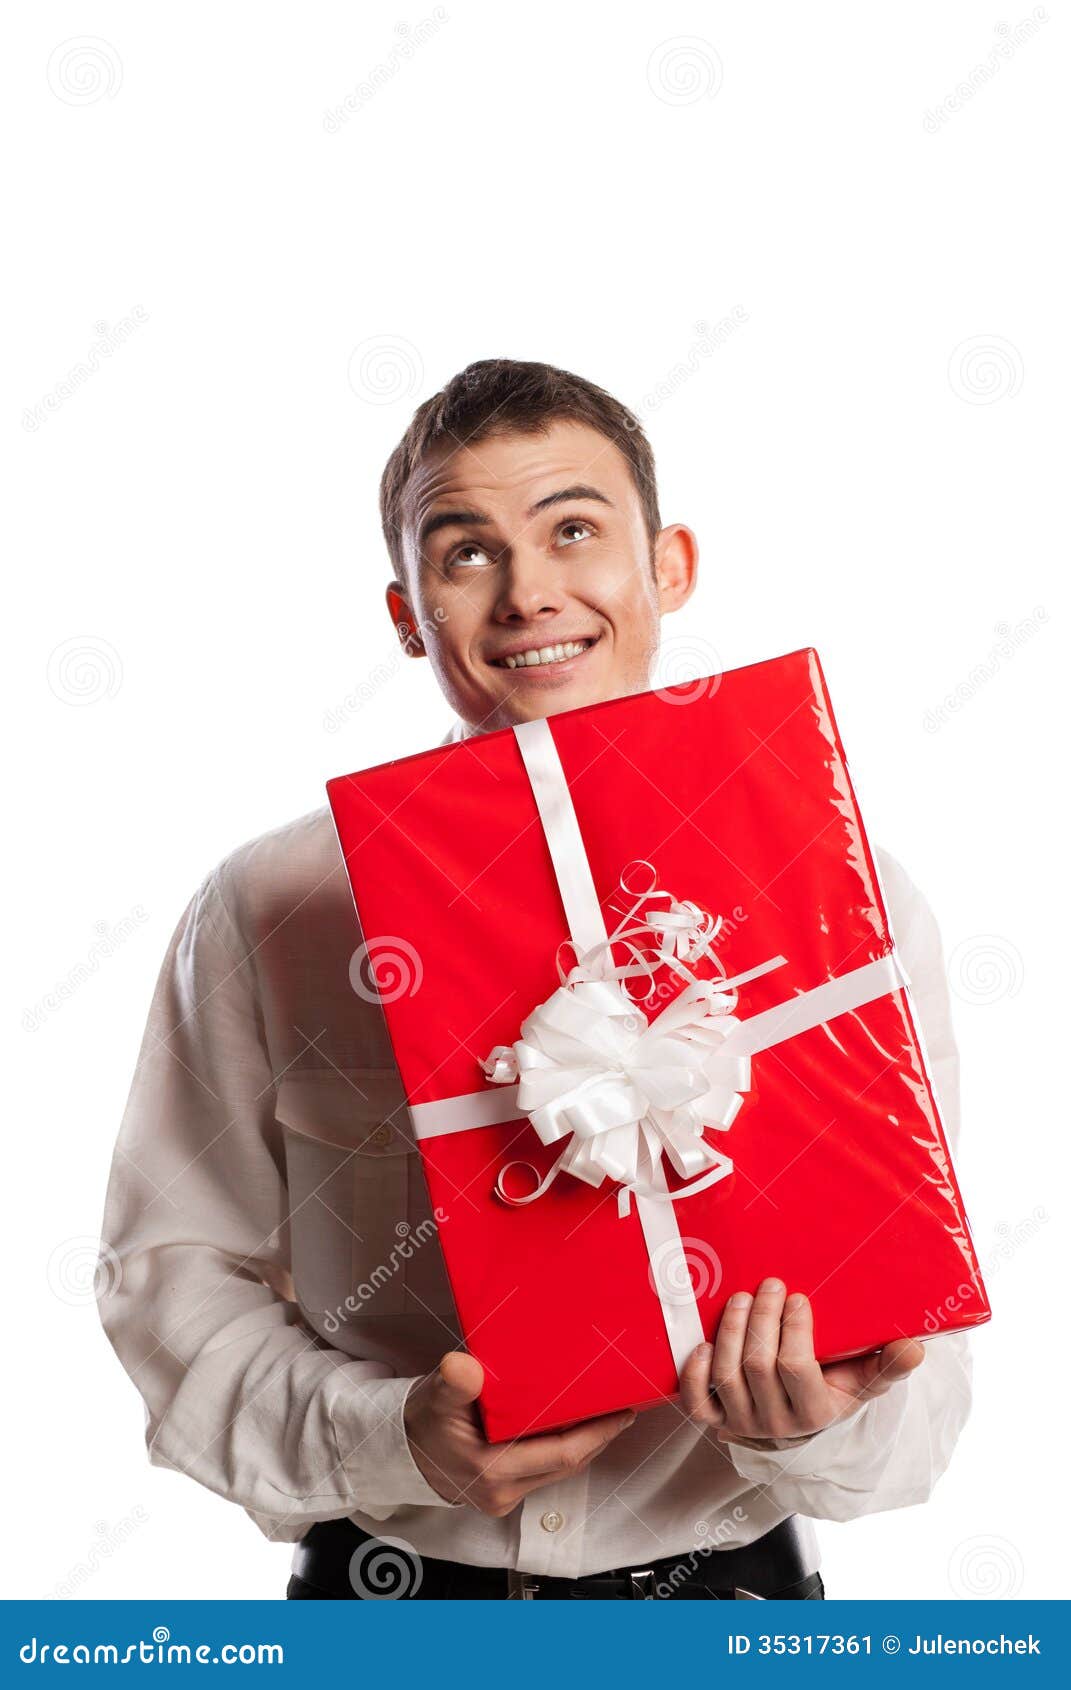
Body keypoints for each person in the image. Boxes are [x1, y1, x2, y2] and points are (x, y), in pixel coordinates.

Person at [97, 359, 972, 1600]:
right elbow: (168, 1270)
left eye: (574, 530)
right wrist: (389, 1432)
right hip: (390, 1593)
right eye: (465, 554)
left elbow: (929, 1389)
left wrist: (816, 1422)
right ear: (408, 612)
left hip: (728, 1598)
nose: (529, 594)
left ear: (667, 566)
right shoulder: (273, 902)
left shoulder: (851, 904)